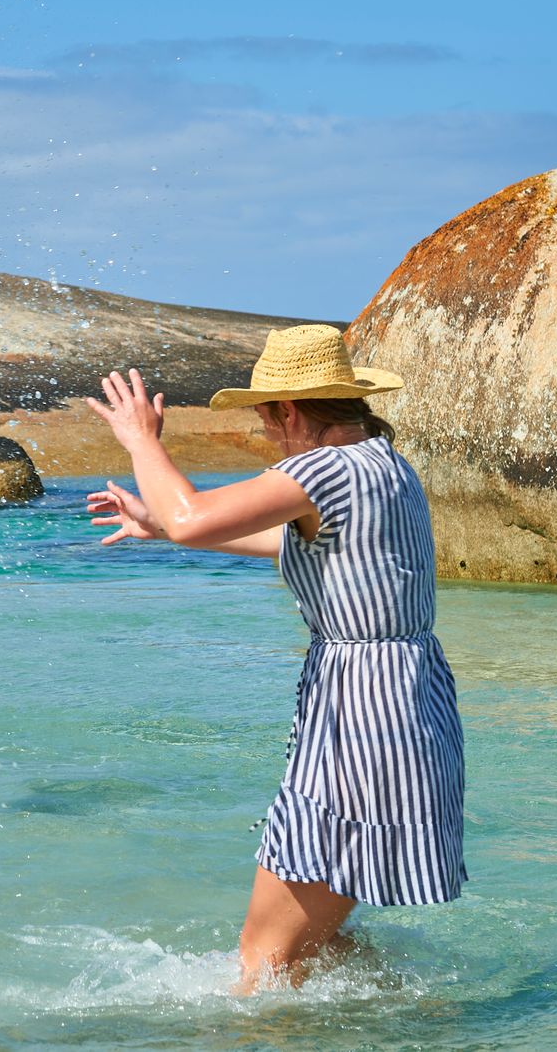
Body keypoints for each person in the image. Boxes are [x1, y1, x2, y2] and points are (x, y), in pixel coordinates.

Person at [84, 324, 465, 992]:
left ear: (289, 410)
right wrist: (162, 522)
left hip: (361, 721)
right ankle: (406, 1023)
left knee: (267, 953)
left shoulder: (324, 467)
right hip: (405, 709)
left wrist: (143, 441)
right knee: (319, 944)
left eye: (266, 419)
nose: (267, 435)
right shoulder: (384, 463)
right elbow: (295, 541)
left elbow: (194, 516)